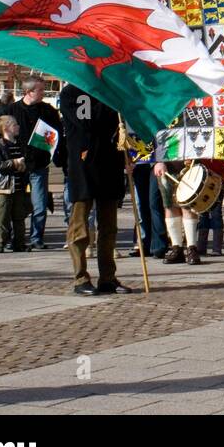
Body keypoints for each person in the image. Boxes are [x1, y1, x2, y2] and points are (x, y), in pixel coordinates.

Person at [59, 84, 132, 295]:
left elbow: (119, 126)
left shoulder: (113, 91)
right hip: (84, 165)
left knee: (109, 226)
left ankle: (108, 277)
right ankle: (80, 278)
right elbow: (88, 123)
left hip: (110, 163)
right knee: (80, 226)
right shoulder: (71, 93)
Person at [0, 78, 62, 250]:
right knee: (13, 205)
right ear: (29, 92)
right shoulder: (12, 110)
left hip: (39, 163)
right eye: (40, 90)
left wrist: (52, 148)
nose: (43, 93)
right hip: (17, 166)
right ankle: (13, 238)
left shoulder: (48, 110)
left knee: (39, 204)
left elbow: (58, 132)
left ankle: (36, 237)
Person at [0, 115, 32, 252]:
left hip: (19, 186)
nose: (18, 127)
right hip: (5, 187)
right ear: (6, 128)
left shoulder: (19, 144)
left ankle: (19, 243)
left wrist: (24, 165)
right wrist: (14, 163)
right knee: (2, 217)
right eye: (15, 125)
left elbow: (24, 160)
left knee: (19, 217)